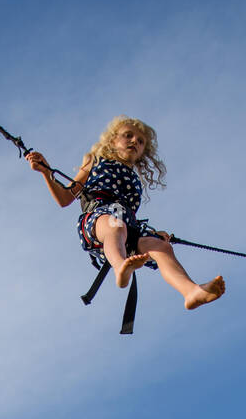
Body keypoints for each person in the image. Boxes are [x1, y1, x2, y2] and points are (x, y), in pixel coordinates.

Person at [26, 116, 225, 310]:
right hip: (98, 218)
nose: (134, 142)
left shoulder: (133, 177)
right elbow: (65, 198)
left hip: (129, 225)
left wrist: (156, 233)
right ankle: (121, 267)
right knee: (115, 225)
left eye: (140, 142)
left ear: (143, 153)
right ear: (112, 140)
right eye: (128, 135)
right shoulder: (95, 161)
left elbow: (129, 216)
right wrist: (46, 171)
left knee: (161, 247)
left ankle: (191, 291)